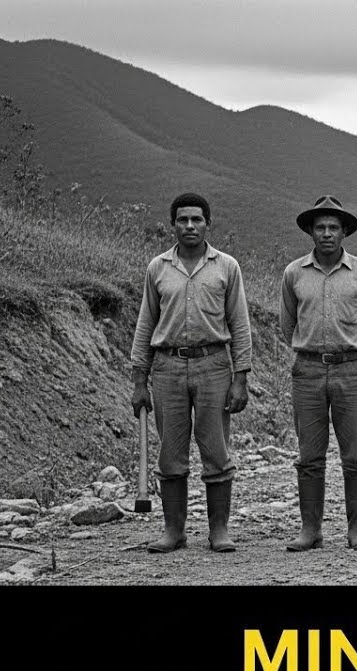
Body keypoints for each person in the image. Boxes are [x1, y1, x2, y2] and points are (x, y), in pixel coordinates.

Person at [130, 192, 252, 553]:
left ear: (208, 224)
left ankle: (219, 530)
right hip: (167, 367)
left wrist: (241, 377)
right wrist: (139, 381)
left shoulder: (226, 267)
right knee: (170, 451)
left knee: (216, 449)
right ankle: (174, 531)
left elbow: (240, 324)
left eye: (196, 219)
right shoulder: (158, 268)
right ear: (173, 225)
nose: (189, 226)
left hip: (213, 364)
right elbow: (145, 324)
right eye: (182, 220)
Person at [280, 195, 357, 551]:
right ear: (311, 231)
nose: (327, 233)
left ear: (344, 233)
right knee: (309, 455)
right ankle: (311, 530)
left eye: (333, 227)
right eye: (320, 227)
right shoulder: (294, 273)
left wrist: (348, 352)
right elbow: (287, 324)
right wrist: (311, 349)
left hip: (351, 370)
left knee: (355, 455)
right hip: (307, 370)